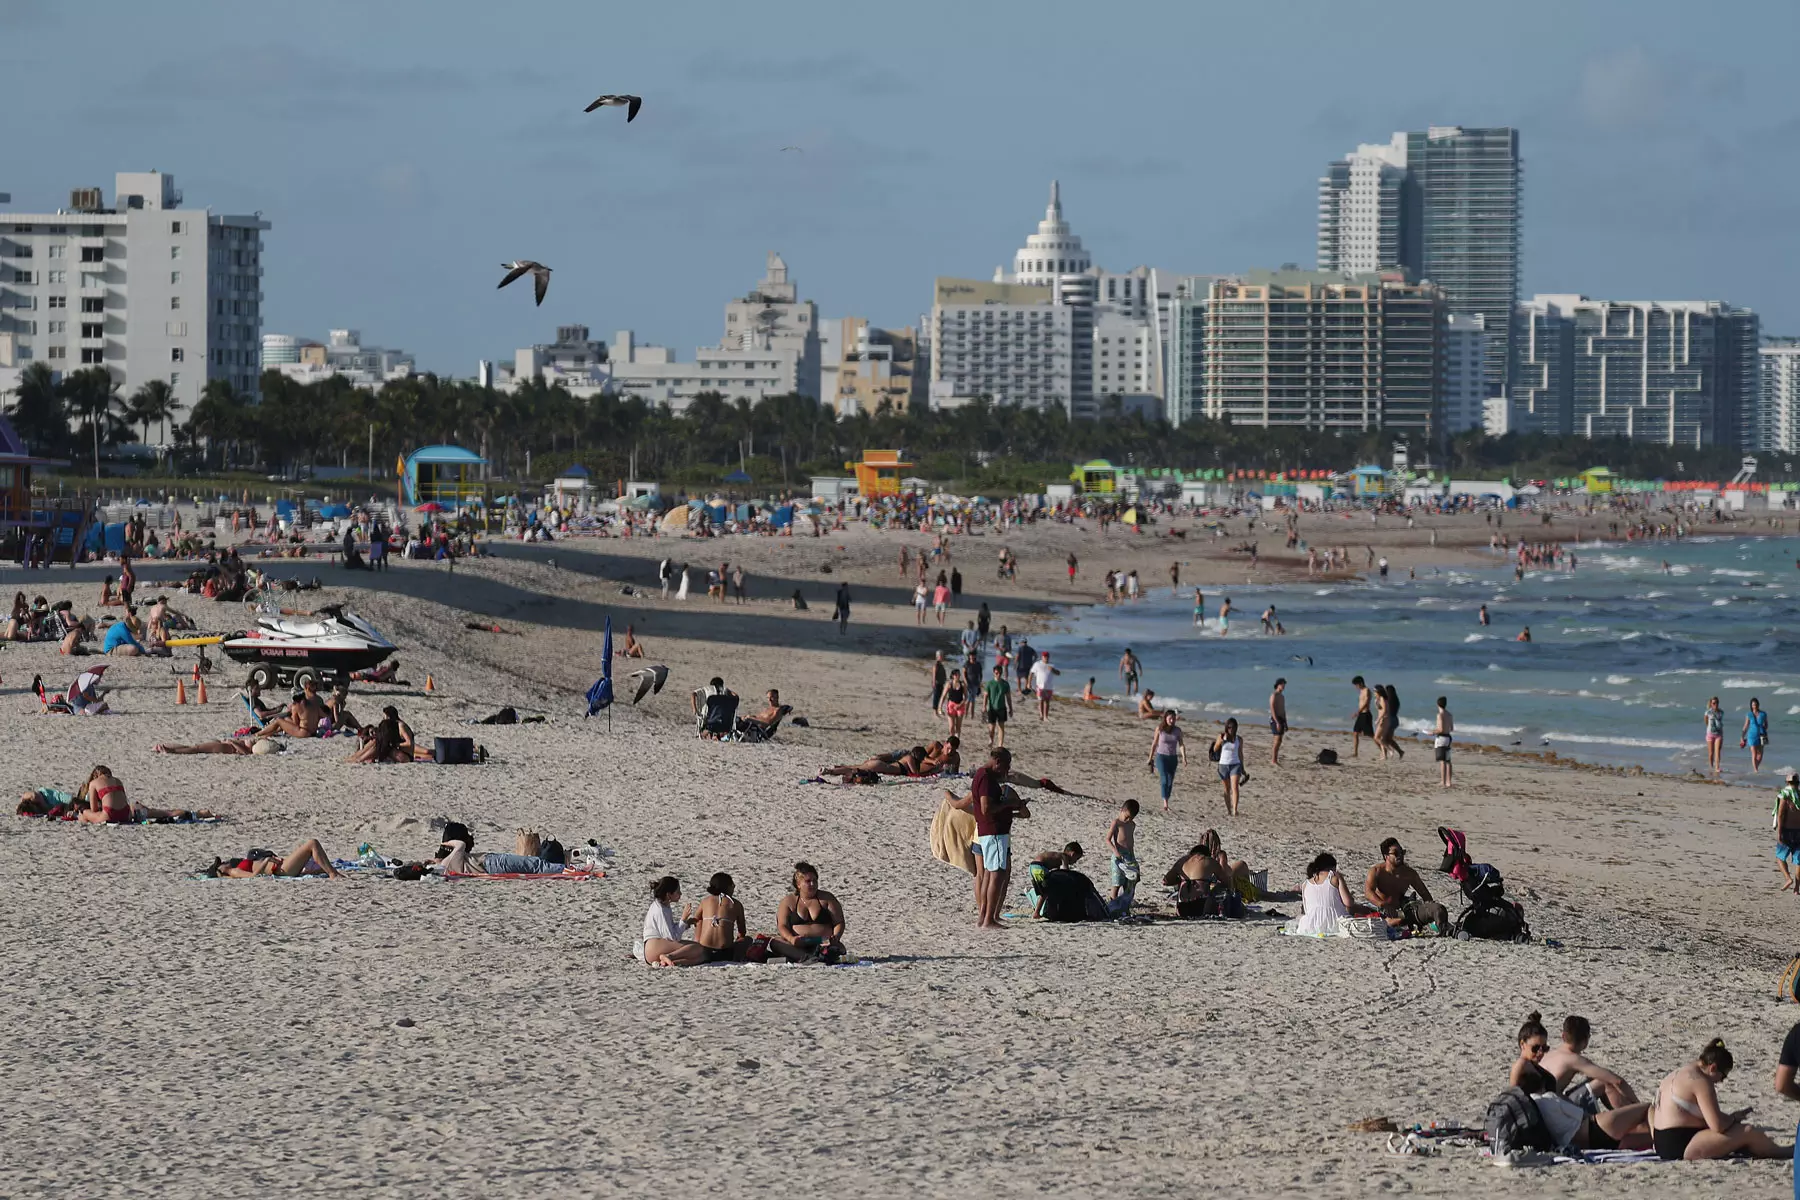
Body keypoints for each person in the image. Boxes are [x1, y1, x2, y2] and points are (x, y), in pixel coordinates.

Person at [1513, 1013, 1653, 1153]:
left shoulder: (1539, 1063)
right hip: (1578, 1124)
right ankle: (1637, 1117)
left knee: (1640, 1133)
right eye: (1536, 1048)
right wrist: (1635, 1103)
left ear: (1563, 1036)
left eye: (1544, 1048)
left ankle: (1636, 1119)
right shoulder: (1566, 1061)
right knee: (1636, 1106)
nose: (1541, 1053)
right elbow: (1617, 1080)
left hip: (1566, 1121)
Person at [1651, 1039, 1788, 1160]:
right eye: (1722, 1076)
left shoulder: (1678, 1073)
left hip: (1660, 1142)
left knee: (1737, 1134)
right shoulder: (1701, 1081)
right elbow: (1717, 1126)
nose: (1720, 1082)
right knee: (1748, 1131)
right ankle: (1786, 1152)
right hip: (1680, 1146)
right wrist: (1733, 1118)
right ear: (1713, 1067)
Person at [946, 748, 1031, 928]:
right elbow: (986, 808)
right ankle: (989, 919)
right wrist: (1011, 803)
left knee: (987, 875)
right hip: (994, 831)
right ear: (997, 761)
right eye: (1006, 765)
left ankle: (984, 916)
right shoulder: (986, 778)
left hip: (988, 832)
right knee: (997, 874)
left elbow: (972, 805)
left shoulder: (981, 775)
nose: (1006, 770)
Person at [1545, 1015, 1639, 1112]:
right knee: (1604, 1081)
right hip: (1555, 1109)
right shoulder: (1573, 1059)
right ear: (1586, 1040)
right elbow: (1617, 1081)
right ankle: (1635, 1114)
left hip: (1544, 1104)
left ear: (1563, 1036)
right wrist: (1637, 1103)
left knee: (1592, 1080)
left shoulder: (1550, 1054)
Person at [1364, 838, 1445, 933]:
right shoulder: (1376, 871)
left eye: (1402, 852)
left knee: (1405, 918)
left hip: (1400, 911)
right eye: (1396, 853)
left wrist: (1431, 911)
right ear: (1386, 856)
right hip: (1379, 908)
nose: (1400, 855)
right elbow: (1368, 892)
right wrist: (1383, 904)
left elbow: (1425, 894)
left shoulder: (1409, 874)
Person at [772, 862, 847, 963]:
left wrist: (836, 936)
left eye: (815, 881)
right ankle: (808, 957)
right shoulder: (788, 902)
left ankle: (814, 956)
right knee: (775, 943)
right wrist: (791, 939)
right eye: (808, 881)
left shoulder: (827, 898)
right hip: (799, 944)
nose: (812, 884)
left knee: (838, 948)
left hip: (824, 942)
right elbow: (782, 925)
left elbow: (839, 922)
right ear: (798, 884)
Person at [641, 876, 705, 967]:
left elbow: (669, 929)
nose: (680, 894)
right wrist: (683, 919)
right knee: (698, 948)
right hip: (653, 947)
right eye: (678, 892)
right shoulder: (660, 910)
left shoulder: (663, 906)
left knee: (699, 958)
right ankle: (668, 956)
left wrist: (686, 923)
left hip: (655, 947)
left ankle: (669, 962)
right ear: (668, 895)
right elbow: (672, 937)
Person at [209, 840, 342, 879]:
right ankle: (332, 874)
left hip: (281, 865)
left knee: (304, 847)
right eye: (220, 865)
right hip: (280, 869)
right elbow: (253, 876)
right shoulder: (234, 872)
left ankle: (332, 872)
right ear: (220, 872)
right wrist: (267, 861)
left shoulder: (236, 867)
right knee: (312, 844)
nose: (224, 863)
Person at [692, 873, 748, 963]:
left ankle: (699, 942)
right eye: (732, 884)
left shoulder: (705, 901)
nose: (734, 886)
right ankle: (738, 958)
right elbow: (742, 931)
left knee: (700, 919)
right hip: (725, 952)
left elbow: (696, 919)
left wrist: (698, 939)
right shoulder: (735, 904)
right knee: (748, 940)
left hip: (704, 950)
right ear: (728, 887)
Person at [253, 678, 327, 740]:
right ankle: (267, 734)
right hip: (313, 732)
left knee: (279, 720)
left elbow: (296, 723)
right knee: (284, 721)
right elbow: (324, 716)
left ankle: (259, 733)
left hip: (303, 732)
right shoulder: (316, 703)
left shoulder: (296, 706)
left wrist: (289, 718)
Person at [1147, 710, 1186, 813]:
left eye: (1173, 719)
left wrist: (1184, 757)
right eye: (1170, 719)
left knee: (1170, 781)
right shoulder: (1160, 729)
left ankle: (1167, 800)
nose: (1172, 721)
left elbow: (1181, 744)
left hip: (1173, 758)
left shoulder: (1177, 730)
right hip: (1161, 757)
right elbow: (1154, 744)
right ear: (1165, 719)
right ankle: (1165, 804)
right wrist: (1150, 757)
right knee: (1164, 779)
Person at [1106, 799, 1139, 904]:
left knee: (1130, 881)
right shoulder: (1116, 823)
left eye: (1131, 818)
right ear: (1122, 810)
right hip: (1118, 856)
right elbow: (1107, 839)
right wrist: (1115, 851)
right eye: (1127, 816)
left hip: (1129, 856)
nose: (1128, 819)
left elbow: (1130, 841)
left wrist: (1132, 855)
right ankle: (1113, 902)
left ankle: (1125, 902)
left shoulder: (1132, 825)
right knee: (1117, 882)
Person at [1212, 718, 1245, 816]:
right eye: (1229, 727)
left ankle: (1235, 809)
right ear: (1227, 727)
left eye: (1233, 727)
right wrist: (1220, 742)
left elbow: (1240, 753)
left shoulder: (1239, 739)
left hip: (1235, 764)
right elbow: (1215, 749)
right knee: (1227, 788)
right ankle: (1229, 810)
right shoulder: (1222, 736)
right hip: (1223, 765)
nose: (1231, 729)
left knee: (1235, 787)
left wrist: (1242, 767)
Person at [1775, 771, 1800, 892]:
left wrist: (1779, 832)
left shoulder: (1785, 795)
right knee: (1798, 860)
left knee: (1780, 857)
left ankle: (1788, 878)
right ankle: (1797, 887)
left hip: (1787, 832)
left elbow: (1780, 814)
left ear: (1787, 783)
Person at [983, 664, 1012, 749]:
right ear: (994, 673)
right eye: (996, 673)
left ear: (1001, 673)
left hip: (1002, 708)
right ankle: (991, 739)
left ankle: (1000, 745)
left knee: (1001, 727)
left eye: (999, 673)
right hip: (992, 708)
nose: (998, 674)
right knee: (991, 728)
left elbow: (1008, 697)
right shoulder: (989, 683)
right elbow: (985, 696)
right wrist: (984, 706)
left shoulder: (1005, 684)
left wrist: (1010, 708)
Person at [155, 738, 282, 756]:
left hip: (226, 748)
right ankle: (168, 747)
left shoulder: (251, 749)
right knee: (194, 747)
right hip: (224, 745)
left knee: (196, 749)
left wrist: (233, 742)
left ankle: (170, 751)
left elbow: (245, 753)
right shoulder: (256, 744)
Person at [1028, 650, 1059, 722]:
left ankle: (1046, 716)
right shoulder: (1037, 664)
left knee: (1047, 701)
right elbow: (1031, 673)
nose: (1046, 658)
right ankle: (1041, 715)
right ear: (1042, 657)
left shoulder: (1052, 665)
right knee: (1041, 700)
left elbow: (1058, 673)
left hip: (1049, 686)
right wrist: (1029, 683)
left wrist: (1053, 670)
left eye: (1047, 656)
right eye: (1044, 656)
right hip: (1040, 686)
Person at [1432, 695, 1454, 788]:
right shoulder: (1449, 715)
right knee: (1448, 760)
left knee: (1442, 761)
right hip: (1448, 738)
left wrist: (1432, 732)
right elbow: (1451, 728)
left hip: (1441, 738)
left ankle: (1443, 781)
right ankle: (1449, 782)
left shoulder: (1440, 715)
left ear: (1438, 704)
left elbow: (1440, 729)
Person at [1743, 698, 1770, 772]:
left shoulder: (1763, 714)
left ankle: (1756, 767)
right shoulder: (1749, 715)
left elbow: (1766, 725)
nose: (1755, 706)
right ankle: (1755, 770)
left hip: (1762, 734)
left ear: (1758, 705)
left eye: (1756, 704)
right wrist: (1742, 736)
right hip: (1752, 735)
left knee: (1760, 754)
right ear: (1751, 706)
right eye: (1753, 705)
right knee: (1754, 753)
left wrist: (1763, 728)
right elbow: (1746, 726)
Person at [1350, 676, 1374, 758]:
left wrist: (1357, 712)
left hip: (1365, 714)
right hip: (1361, 714)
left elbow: (1366, 703)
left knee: (1371, 735)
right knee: (1355, 733)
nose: (1356, 687)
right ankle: (1355, 753)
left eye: (1356, 685)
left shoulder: (1367, 690)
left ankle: (1383, 749)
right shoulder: (1361, 691)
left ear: (1361, 683)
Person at [941, 668, 967, 738]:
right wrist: (939, 707)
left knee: (958, 726)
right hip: (951, 705)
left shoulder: (962, 684)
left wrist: (960, 705)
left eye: (958, 674)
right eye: (956, 674)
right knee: (951, 726)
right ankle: (951, 738)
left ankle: (957, 739)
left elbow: (966, 697)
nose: (957, 676)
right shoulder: (949, 684)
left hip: (960, 705)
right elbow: (943, 696)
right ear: (953, 675)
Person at [1268, 678, 1288, 765]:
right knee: (1277, 739)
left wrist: (1285, 722)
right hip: (1275, 719)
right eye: (1282, 684)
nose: (1283, 686)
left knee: (1279, 740)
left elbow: (1283, 710)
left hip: (1281, 718)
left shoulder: (1282, 696)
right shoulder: (1274, 695)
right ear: (1278, 685)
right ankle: (1273, 760)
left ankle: (1275, 758)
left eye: (1284, 685)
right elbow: (1272, 708)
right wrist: (1277, 722)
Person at [1703, 696, 1725, 774]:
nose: (1715, 704)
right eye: (1713, 703)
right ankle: (1711, 766)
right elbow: (1706, 721)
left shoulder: (1721, 712)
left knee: (1717, 751)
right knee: (1711, 753)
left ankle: (1717, 767)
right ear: (1711, 704)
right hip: (1710, 734)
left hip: (1719, 734)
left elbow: (1720, 722)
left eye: (1716, 703)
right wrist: (1710, 727)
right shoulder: (1708, 712)